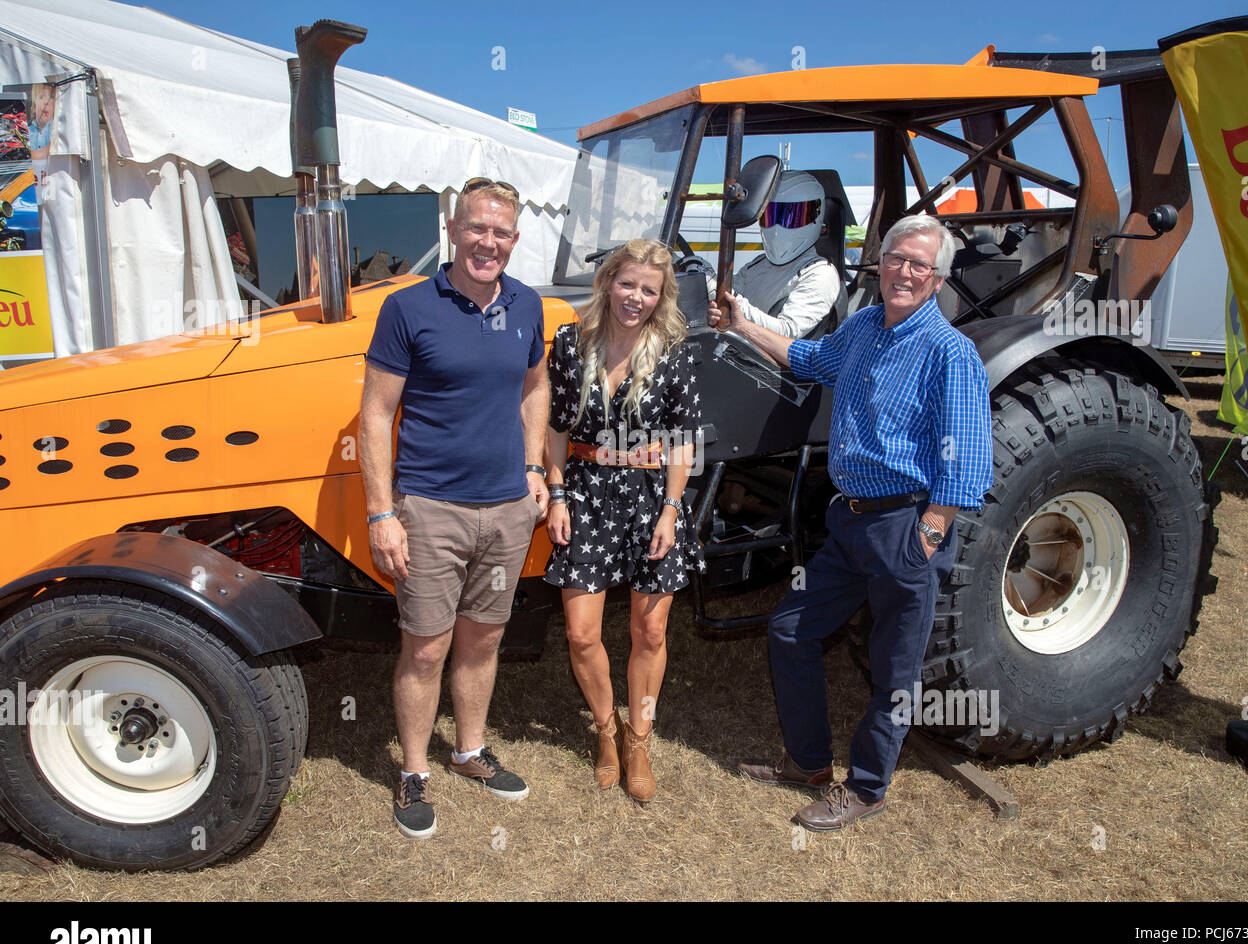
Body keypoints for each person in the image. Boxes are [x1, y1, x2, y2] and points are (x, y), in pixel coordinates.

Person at [724, 214, 993, 830]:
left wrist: (929, 531)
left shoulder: (950, 352)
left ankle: (868, 788)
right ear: (881, 261)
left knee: (894, 668)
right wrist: (744, 325)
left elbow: (970, 453)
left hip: (905, 527)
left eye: (918, 264)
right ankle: (810, 763)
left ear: (937, 278)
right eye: (897, 258)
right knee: (791, 628)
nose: (904, 271)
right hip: (848, 522)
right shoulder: (867, 325)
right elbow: (811, 358)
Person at [360, 177, 548, 838]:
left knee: (484, 635)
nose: (487, 242)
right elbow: (376, 414)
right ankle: (415, 769)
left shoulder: (527, 304)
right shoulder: (408, 308)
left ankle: (468, 750)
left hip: (506, 511)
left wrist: (533, 465)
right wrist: (381, 512)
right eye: (477, 229)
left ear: (514, 240)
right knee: (426, 645)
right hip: (430, 507)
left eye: (500, 233)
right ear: (454, 231)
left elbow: (534, 385)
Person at [544, 238, 702, 803]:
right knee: (581, 633)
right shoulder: (570, 342)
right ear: (609, 282)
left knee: (650, 630)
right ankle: (606, 731)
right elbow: (556, 426)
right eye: (628, 284)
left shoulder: (674, 350)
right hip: (584, 492)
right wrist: (556, 494)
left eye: (648, 290)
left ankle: (640, 738)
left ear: (661, 299)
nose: (635, 297)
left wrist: (672, 508)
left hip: (650, 495)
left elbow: (684, 440)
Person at [707, 170, 845, 340]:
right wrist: (714, 305)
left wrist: (733, 304)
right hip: (738, 355)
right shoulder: (758, 265)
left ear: (814, 217)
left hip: (772, 365)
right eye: (772, 215)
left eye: (791, 216)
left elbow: (787, 333)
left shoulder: (820, 272)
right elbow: (726, 293)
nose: (778, 227)